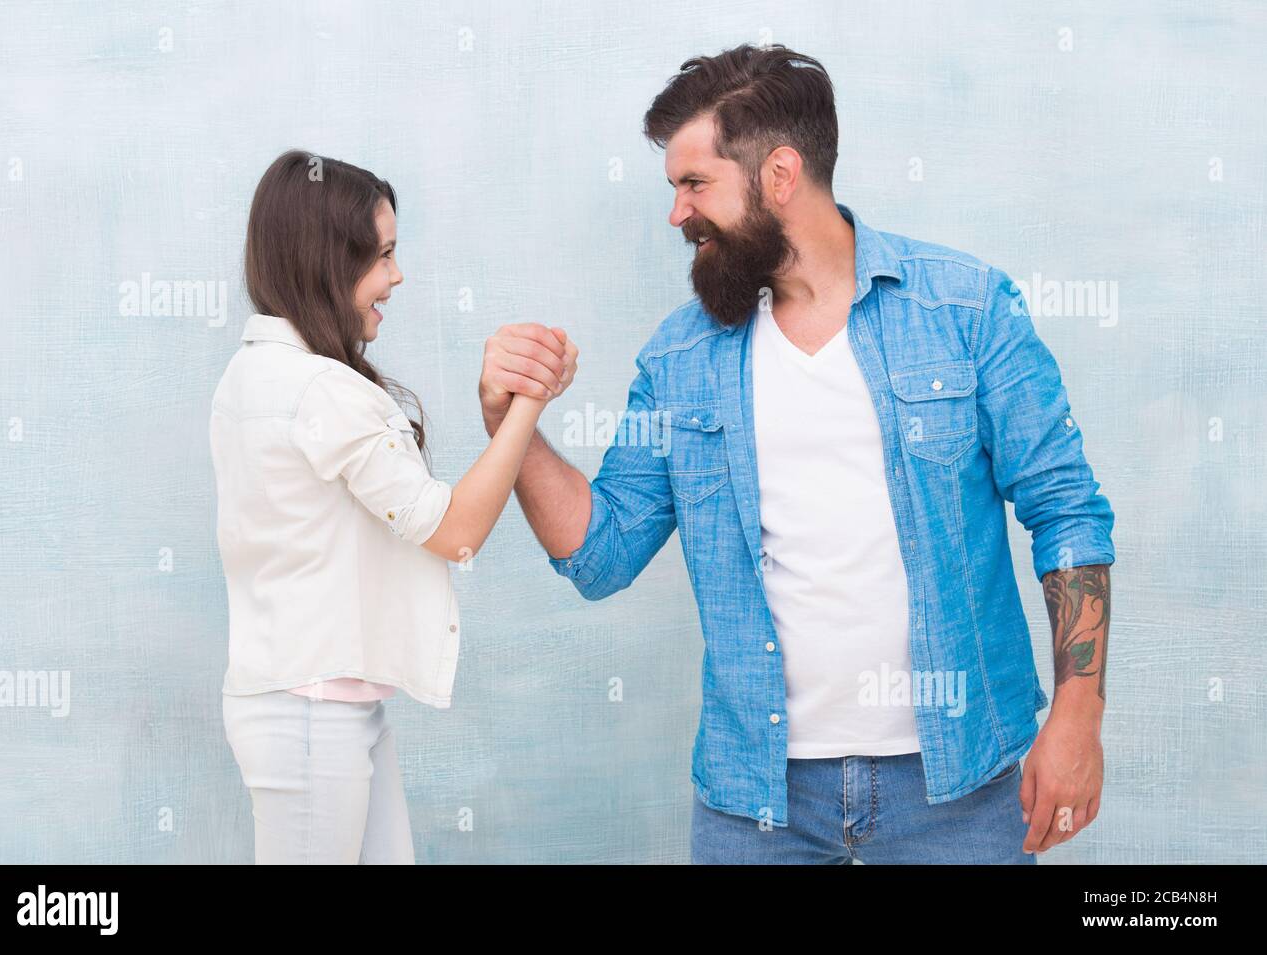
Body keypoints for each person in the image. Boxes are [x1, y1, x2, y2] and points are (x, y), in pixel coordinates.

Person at [479, 45, 1114, 864]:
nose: (678, 214)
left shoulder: (965, 308)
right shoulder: (682, 358)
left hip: (960, 787)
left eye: (694, 184)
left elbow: (1065, 509)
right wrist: (516, 425)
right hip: (758, 803)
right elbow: (601, 552)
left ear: (779, 173)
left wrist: (1078, 717)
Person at [210, 150, 577, 864]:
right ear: (327, 262)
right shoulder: (318, 391)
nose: (397, 276)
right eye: (383, 256)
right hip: (312, 712)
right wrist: (528, 400)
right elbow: (456, 530)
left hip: (323, 703)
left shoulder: (259, 374)